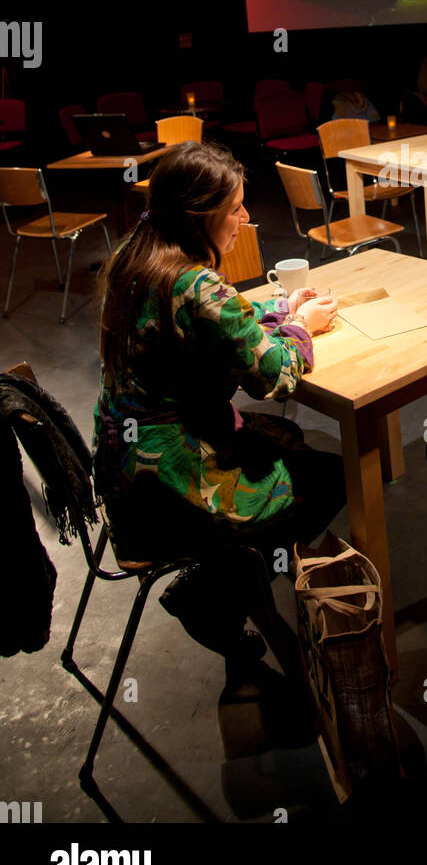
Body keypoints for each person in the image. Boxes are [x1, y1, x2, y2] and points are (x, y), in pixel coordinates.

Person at [93, 141, 346, 711]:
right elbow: (275, 376)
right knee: (331, 475)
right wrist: (300, 327)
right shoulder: (195, 285)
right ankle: (216, 595)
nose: (244, 220)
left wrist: (275, 313)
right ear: (200, 214)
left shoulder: (138, 256)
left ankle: (230, 576)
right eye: (234, 209)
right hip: (171, 479)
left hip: (123, 470)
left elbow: (213, 323)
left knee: (288, 442)